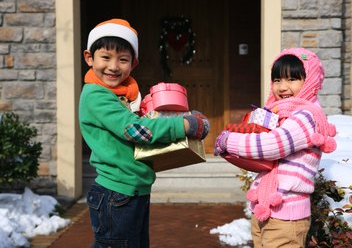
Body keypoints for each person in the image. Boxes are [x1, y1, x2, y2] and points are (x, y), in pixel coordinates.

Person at [79, 18, 210, 248]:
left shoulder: (123, 95)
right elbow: (135, 131)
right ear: (90, 58)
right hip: (115, 193)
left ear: (133, 63)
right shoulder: (96, 96)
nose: (113, 66)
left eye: (123, 59)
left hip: (132, 188)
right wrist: (185, 126)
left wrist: (172, 116)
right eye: (105, 57)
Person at [214, 47, 336, 247]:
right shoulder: (280, 114)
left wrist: (230, 141)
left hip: (287, 215)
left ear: (310, 81)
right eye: (277, 80)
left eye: (292, 79)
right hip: (265, 209)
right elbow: (264, 158)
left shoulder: (307, 116)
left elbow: (274, 145)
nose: (282, 87)